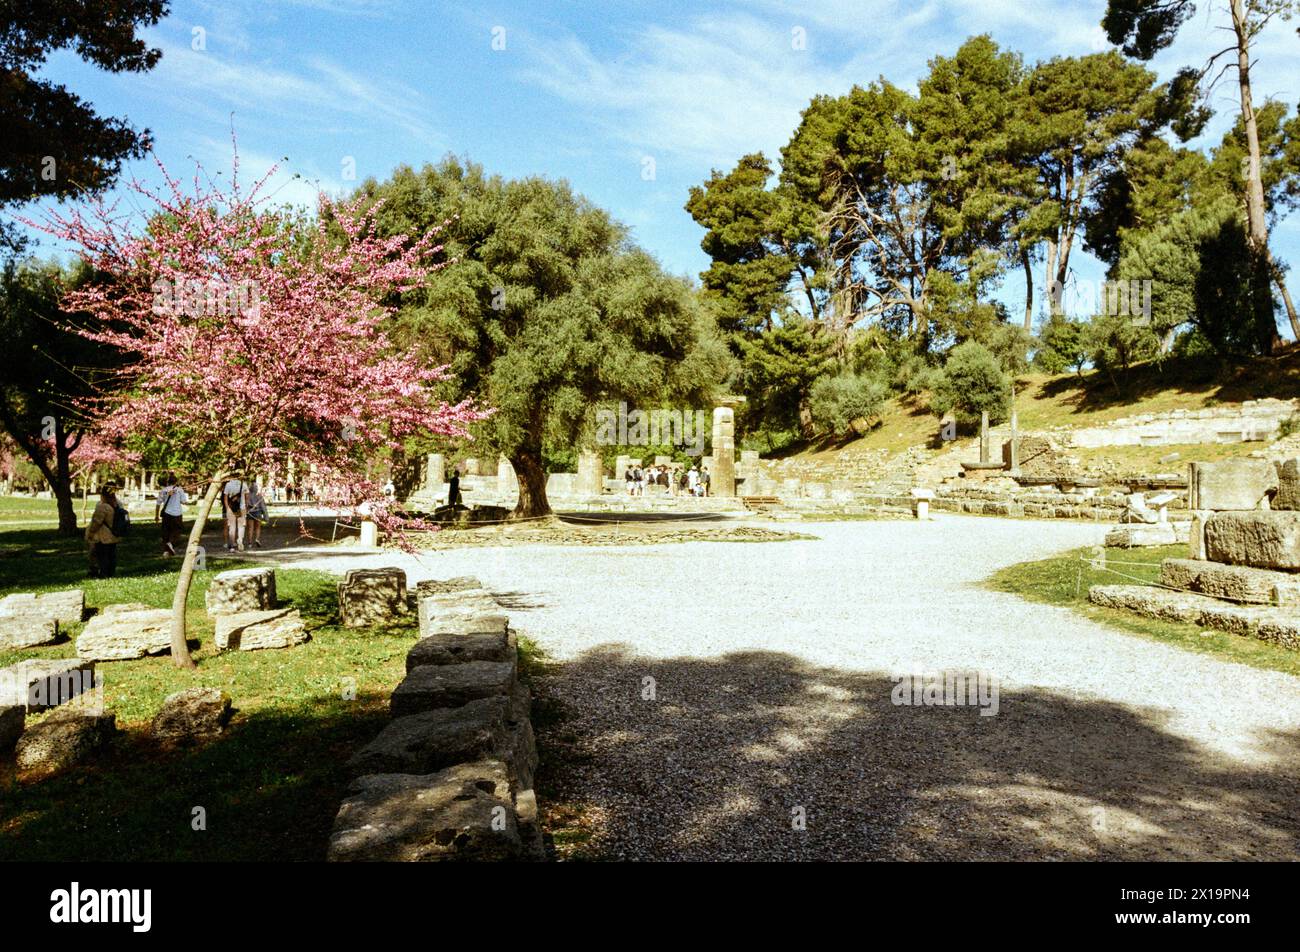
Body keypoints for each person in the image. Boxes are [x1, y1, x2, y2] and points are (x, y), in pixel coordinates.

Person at [85, 483, 122, 578]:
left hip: (103, 536)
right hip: (114, 535)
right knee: (111, 556)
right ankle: (111, 573)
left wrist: (91, 533)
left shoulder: (103, 507)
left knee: (102, 556)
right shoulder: (117, 505)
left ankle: (103, 574)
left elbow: (97, 522)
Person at [154, 473, 187, 556]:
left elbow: (158, 504)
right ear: (176, 482)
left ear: (168, 482)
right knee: (177, 531)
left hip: (167, 514)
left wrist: (156, 516)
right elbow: (184, 501)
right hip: (177, 514)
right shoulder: (180, 490)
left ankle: (166, 551)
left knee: (166, 532)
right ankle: (170, 544)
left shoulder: (163, 490)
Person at [222, 477, 248, 551]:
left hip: (231, 508)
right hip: (242, 507)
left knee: (232, 527)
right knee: (241, 526)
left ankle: (232, 545)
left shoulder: (228, 484)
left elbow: (225, 498)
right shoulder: (244, 484)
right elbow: (247, 497)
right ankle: (240, 540)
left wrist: (227, 508)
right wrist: (246, 506)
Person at [245, 481, 268, 548]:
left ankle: (249, 543)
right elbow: (263, 506)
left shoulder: (247, 496)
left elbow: (245, 505)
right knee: (258, 527)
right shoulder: (259, 496)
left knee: (250, 528)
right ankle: (257, 539)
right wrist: (266, 516)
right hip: (258, 512)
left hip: (250, 513)